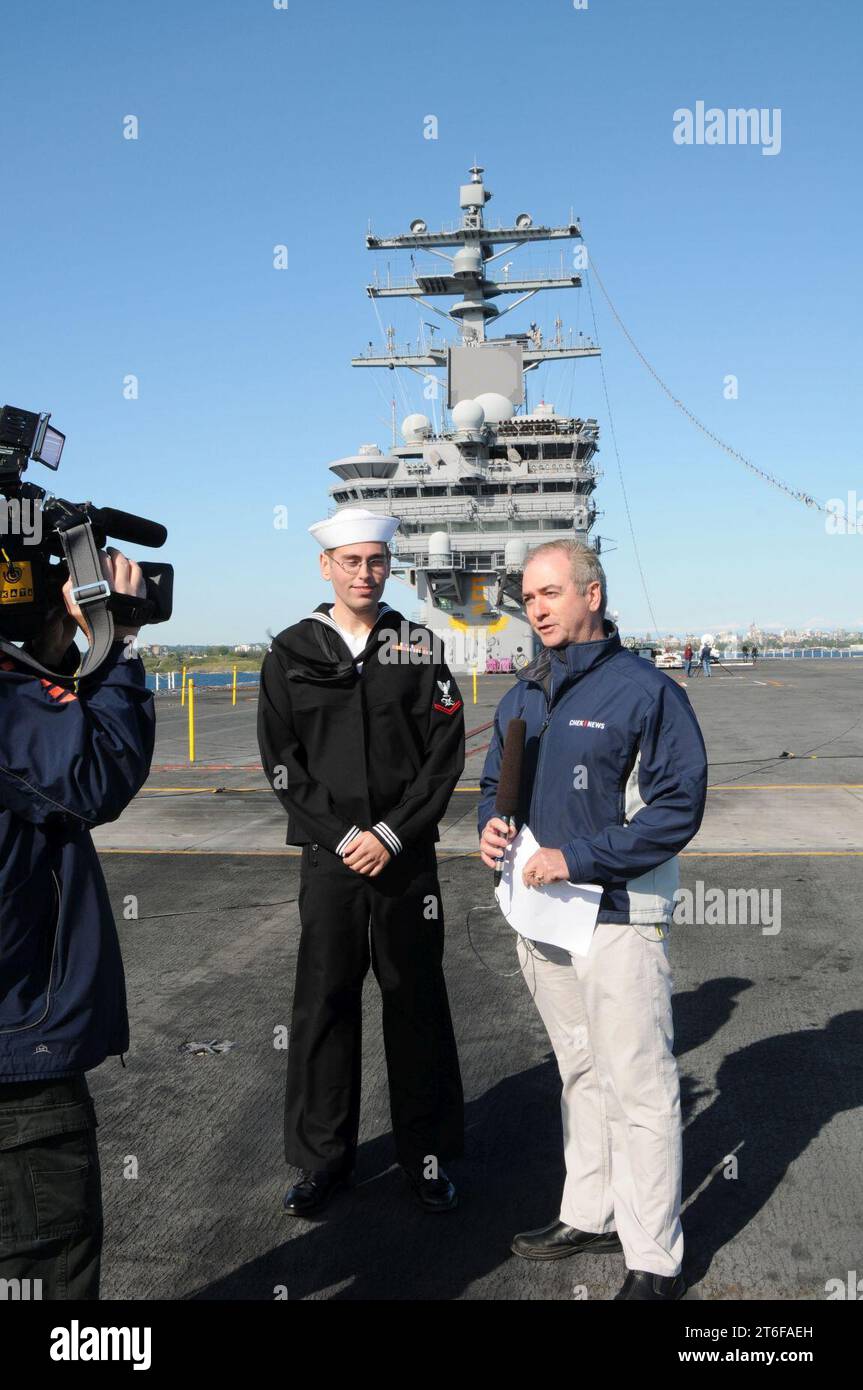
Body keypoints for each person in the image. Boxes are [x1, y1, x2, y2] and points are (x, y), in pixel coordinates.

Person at [478, 539, 707, 1300]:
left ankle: (654, 1259)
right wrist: (489, 826)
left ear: (592, 595)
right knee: (578, 1071)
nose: (535, 608)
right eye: (528, 597)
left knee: (638, 1084)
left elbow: (677, 807)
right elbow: (491, 784)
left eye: (549, 593)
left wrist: (577, 859)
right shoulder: (525, 691)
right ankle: (590, 1210)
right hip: (541, 916)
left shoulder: (645, 691)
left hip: (616, 914)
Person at [258, 507, 465, 1216]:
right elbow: (281, 763)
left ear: (388, 567)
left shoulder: (417, 647)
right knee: (323, 1007)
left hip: (405, 862)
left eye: (375, 561)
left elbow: (443, 760)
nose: (364, 573)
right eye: (350, 561)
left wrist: (391, 834)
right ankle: (322, 1162)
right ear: (326, 567)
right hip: (330, 861)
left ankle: (428, 1158)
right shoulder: (289, 652)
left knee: (417, 1005)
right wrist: (346, 836)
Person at [0, 550, 155, 1299]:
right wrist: (111, 631)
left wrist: (54, 650)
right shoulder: (9, 705)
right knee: (45, 1279)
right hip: (17, 1066)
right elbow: (97, 774)